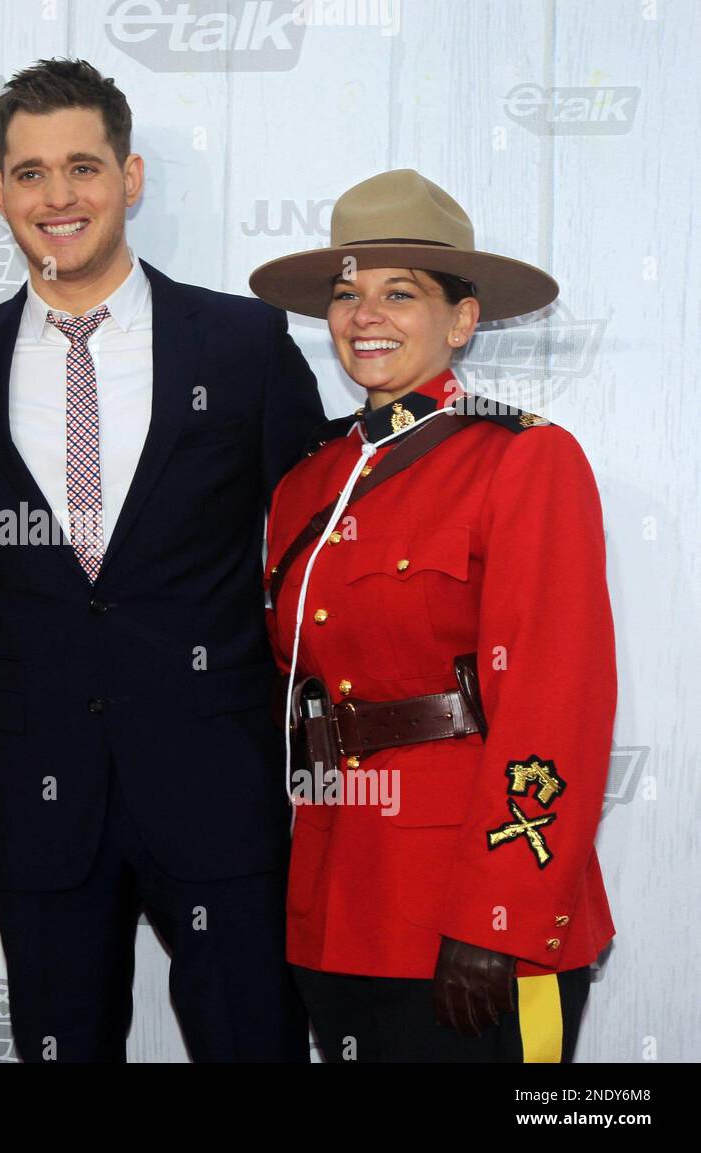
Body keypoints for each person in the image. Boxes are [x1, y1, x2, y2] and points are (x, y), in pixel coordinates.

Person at [0, 58, 324, 1062]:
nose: (57, 197)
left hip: (217, 782)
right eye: (29, 174)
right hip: (38, 786)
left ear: (130, 176)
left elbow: (316, 543)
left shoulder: (240, 343)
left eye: (82, 167)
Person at [249, 168, 616, 1062]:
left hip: (468, 910)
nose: (364, 314)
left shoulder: (524, 461)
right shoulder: (308, 483)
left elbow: (556, 706)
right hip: (336, 901)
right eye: (347, 293)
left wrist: (500, 913)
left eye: (399, 293)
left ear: (461, 319)